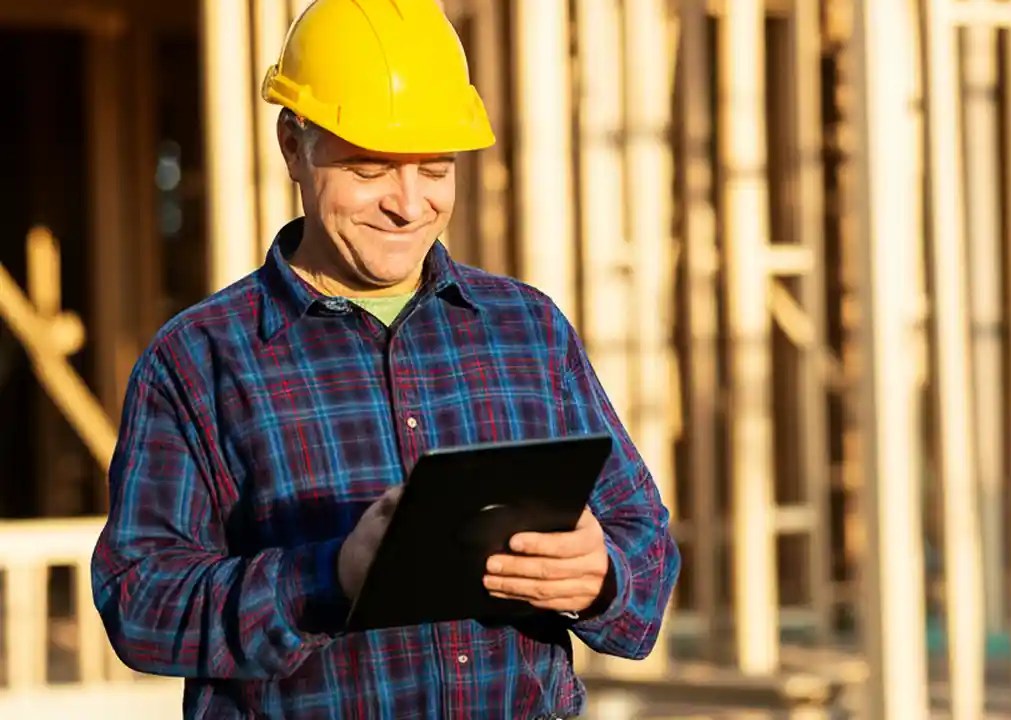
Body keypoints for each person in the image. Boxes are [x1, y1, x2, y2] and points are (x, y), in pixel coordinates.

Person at [89, 1, 680, 717]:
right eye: (370, 169)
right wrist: (326, 577)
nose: (409, 204)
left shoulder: (529, 330)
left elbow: (644, 543)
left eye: (435, 168)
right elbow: (139, 600)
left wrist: (602, 578)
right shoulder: (199, 360)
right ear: (291, 144)